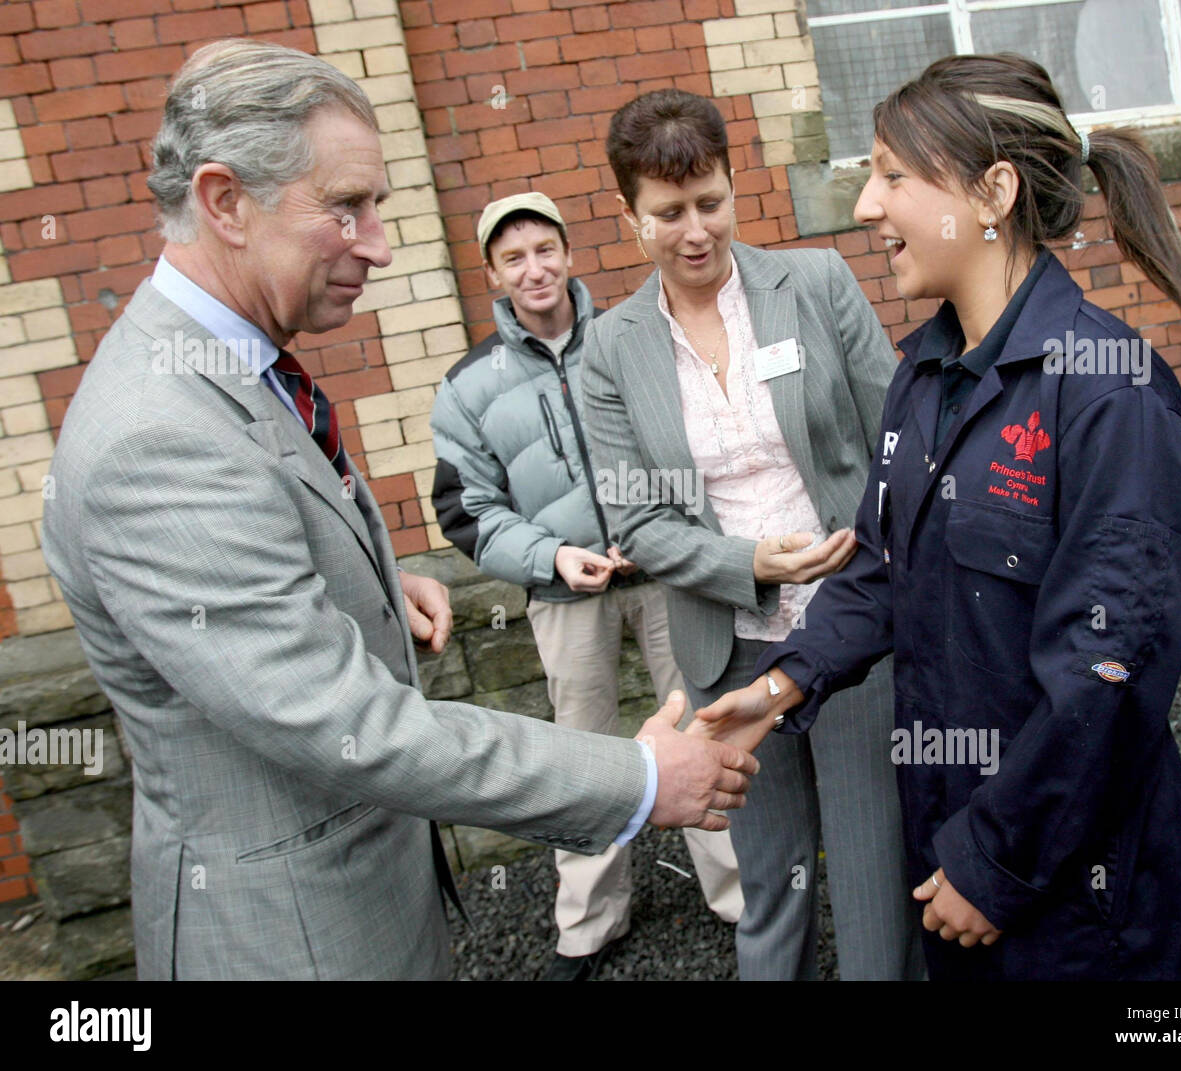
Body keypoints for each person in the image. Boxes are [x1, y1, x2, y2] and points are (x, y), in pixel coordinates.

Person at [39, 39, 758, 981]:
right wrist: (640, 776)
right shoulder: (158, 437)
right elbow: (350, 724)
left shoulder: (223, 370)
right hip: (294, 941)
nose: (378, 244)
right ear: (225, 201)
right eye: (345, 207)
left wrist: (372, 583)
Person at [692, 52, 1181, 981]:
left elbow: (1108, 676)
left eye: (893, 175)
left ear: (992, 192)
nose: (865, 207)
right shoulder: (923, 374)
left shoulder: (1108, 396)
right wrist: (782, 684)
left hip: (1071, 901)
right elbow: (881, 568)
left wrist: (995, 861)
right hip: (950, 851)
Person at [580, 89, 923, 980]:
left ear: (734, 187)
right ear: (628, 216)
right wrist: (749, 563)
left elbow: (900, 433)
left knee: (872, 866)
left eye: (711, 202)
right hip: (726, 649)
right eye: (668, 214)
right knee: (773, 882)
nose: (696, 231)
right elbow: (638, 521)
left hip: (847, 629)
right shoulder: (610, 351)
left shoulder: (814, 284)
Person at [430, 191, 743, 981]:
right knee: (583, 755)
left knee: (702, 725)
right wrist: (551, 558)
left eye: (545, 250)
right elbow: (467, 511)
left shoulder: (626, 341)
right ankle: (590, 921)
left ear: (568, 255)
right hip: (566, 595)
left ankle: (741, 895)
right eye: (513, 258)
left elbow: (690, 441)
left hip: (664, 574)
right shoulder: (469, 384)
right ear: (494, 276)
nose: (534, 269)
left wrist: (659, 527)